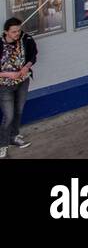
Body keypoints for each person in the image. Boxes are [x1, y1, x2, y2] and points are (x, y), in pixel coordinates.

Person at [0, 18, 35, 157]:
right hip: (4, 85)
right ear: (6, 32)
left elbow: (33, 55)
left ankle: (14, 137)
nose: (17, 34)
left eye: (19, 30)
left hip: (22, 82)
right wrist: (8, 74)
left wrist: (27, 67)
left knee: (19, 110)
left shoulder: (26, 39)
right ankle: (2, 144)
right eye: (13, 32)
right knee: (9, 115)